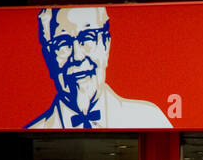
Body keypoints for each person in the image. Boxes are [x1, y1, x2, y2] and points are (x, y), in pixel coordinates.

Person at [27, 7, 171, 130]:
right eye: (63, 43)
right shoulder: (34, 130)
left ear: (106, 45)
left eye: (87, 38)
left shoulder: (150, 119)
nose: (78, 56)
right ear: (47, 56)